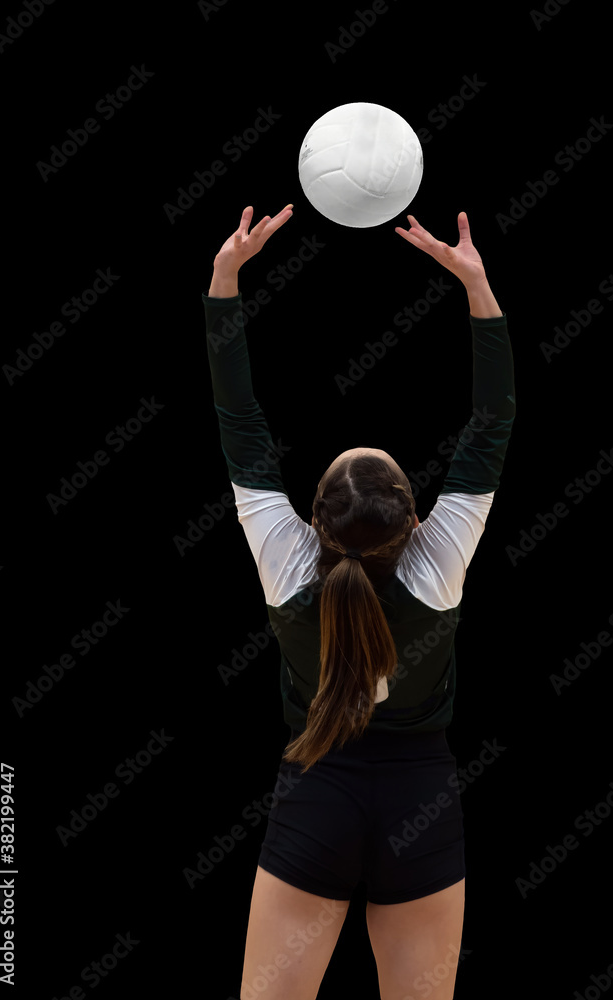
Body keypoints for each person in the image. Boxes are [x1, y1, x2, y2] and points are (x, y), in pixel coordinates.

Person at [203, 204, 516, 1000]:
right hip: (421, 801)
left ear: (312, 519)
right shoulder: (435, 567)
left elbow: (240, 420)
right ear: (416, 520)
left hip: (317, 796)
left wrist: (224, 279)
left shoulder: (287, 563)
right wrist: (474, 284)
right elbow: (492, 420)